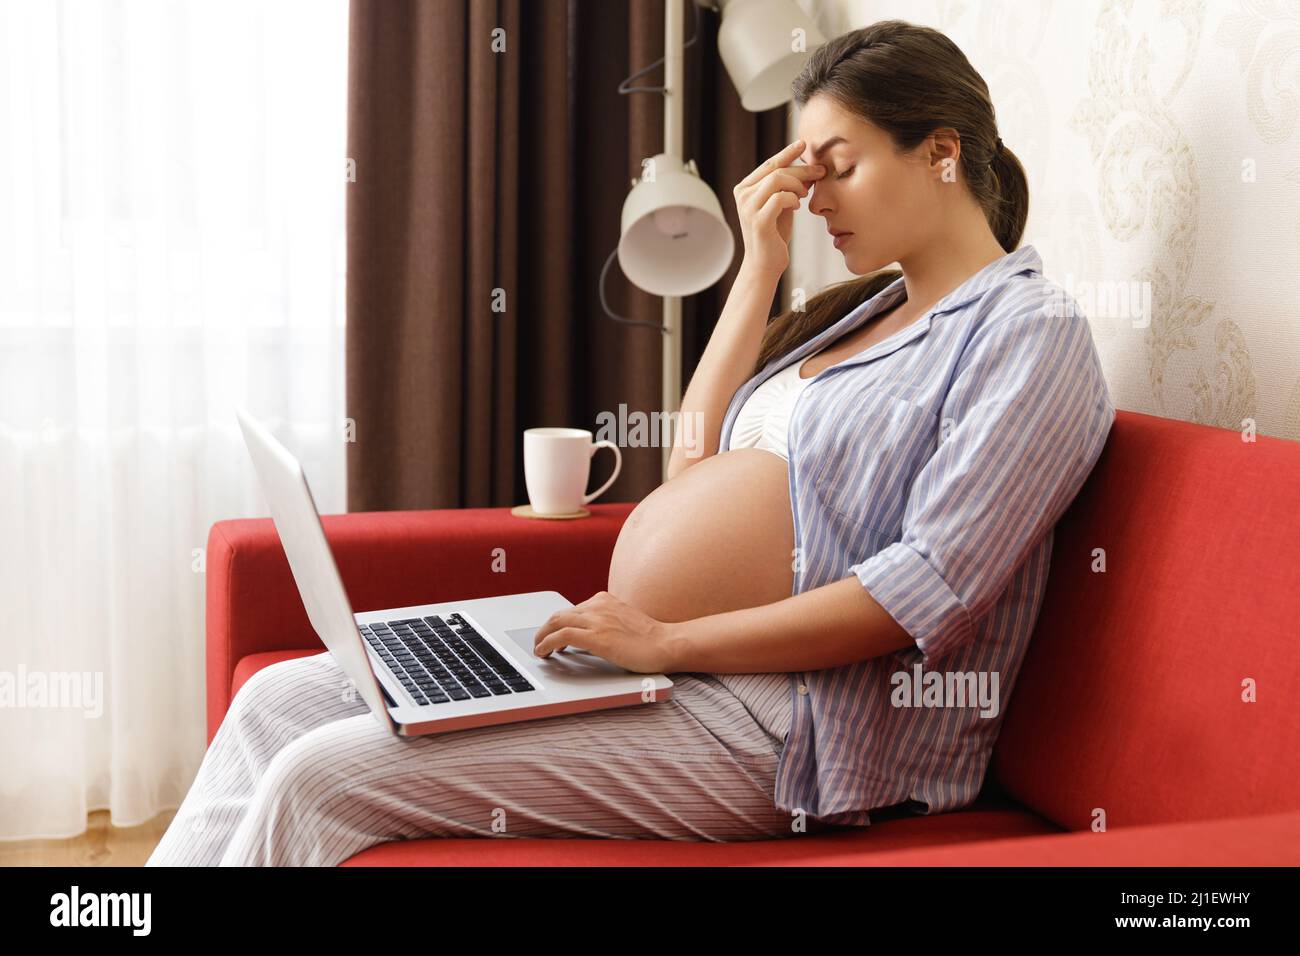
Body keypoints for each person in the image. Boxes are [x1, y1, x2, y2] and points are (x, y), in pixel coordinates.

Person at [148, 19, 1114, 866]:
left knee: (322, 777)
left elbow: (923, 590)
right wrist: (757, 273)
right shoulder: (866, 311)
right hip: (669, 667)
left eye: (840, 164)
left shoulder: (1030, 334)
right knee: (278, 703)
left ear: (941, 152)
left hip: (792, 729)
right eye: (807, 172)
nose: (816, 199)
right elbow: (693, 470)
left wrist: (667, 639)